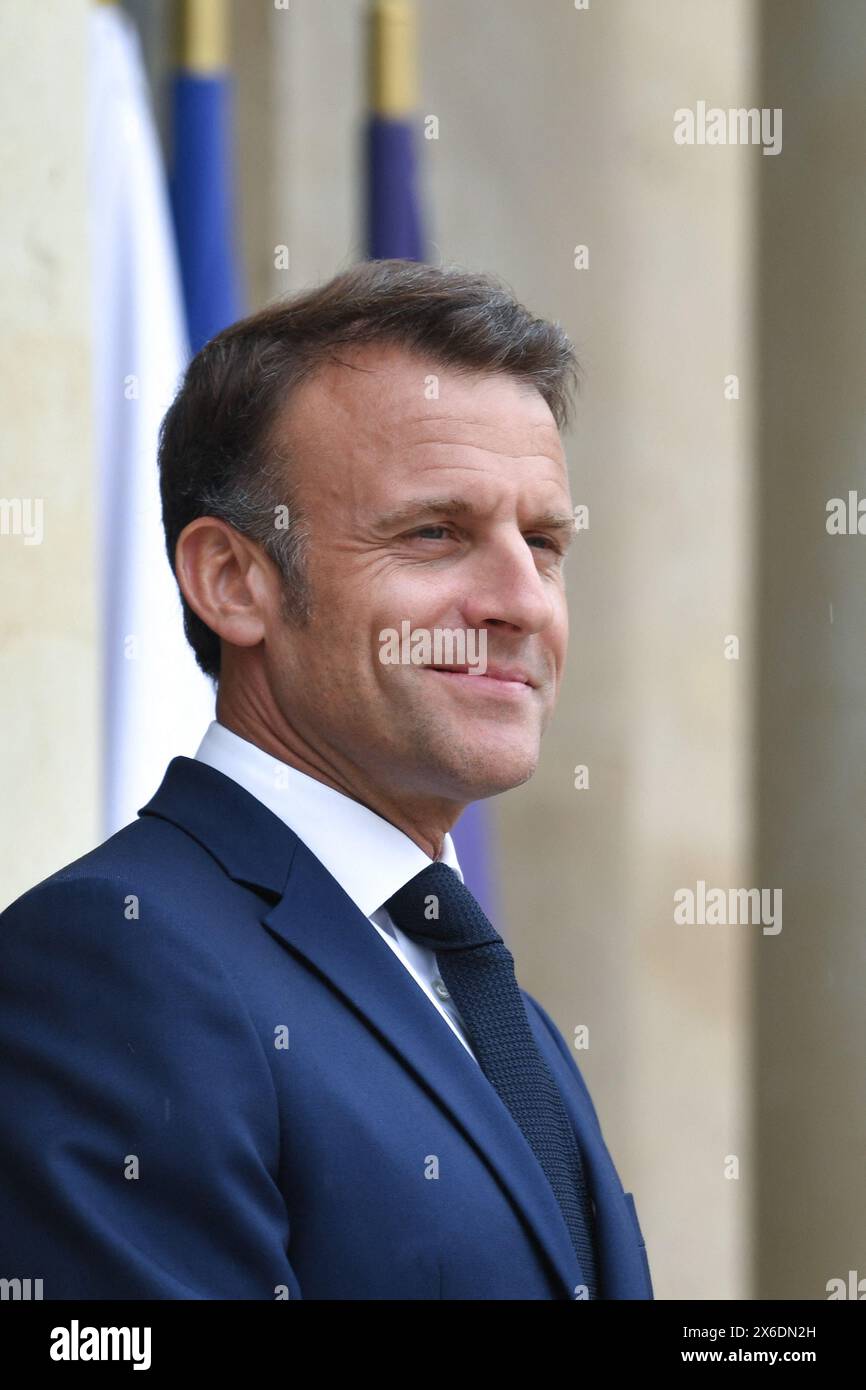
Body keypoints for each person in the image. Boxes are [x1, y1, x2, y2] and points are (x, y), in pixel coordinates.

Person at [0, 259, 652, 1300]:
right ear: (231, 580)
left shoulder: (481, 997)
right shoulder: (112, 961)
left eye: (542, 542)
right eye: (434, 532)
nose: (520, 601)